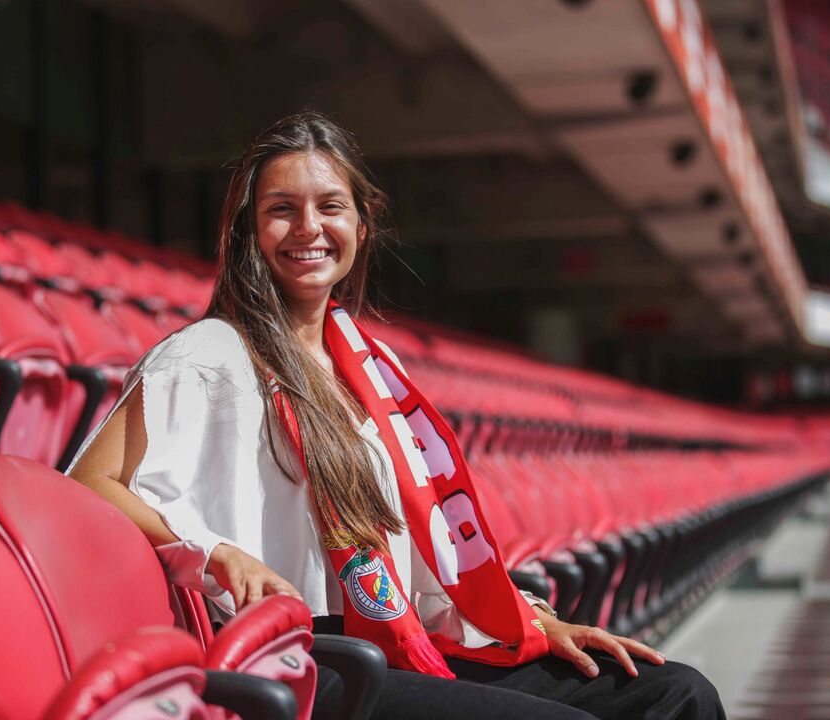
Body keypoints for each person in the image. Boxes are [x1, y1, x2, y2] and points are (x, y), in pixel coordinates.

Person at [68, 111, 725, 720]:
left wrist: (533, 621)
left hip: (396, 636)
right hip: (302, 659)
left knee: (678, 696)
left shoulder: (370, 367)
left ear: (362, 224)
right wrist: (218, 556)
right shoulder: (207, 353)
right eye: (280, 210)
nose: (308, 228)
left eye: (330, 207)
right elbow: (87, 488)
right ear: (245, 232)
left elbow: (426, 551)